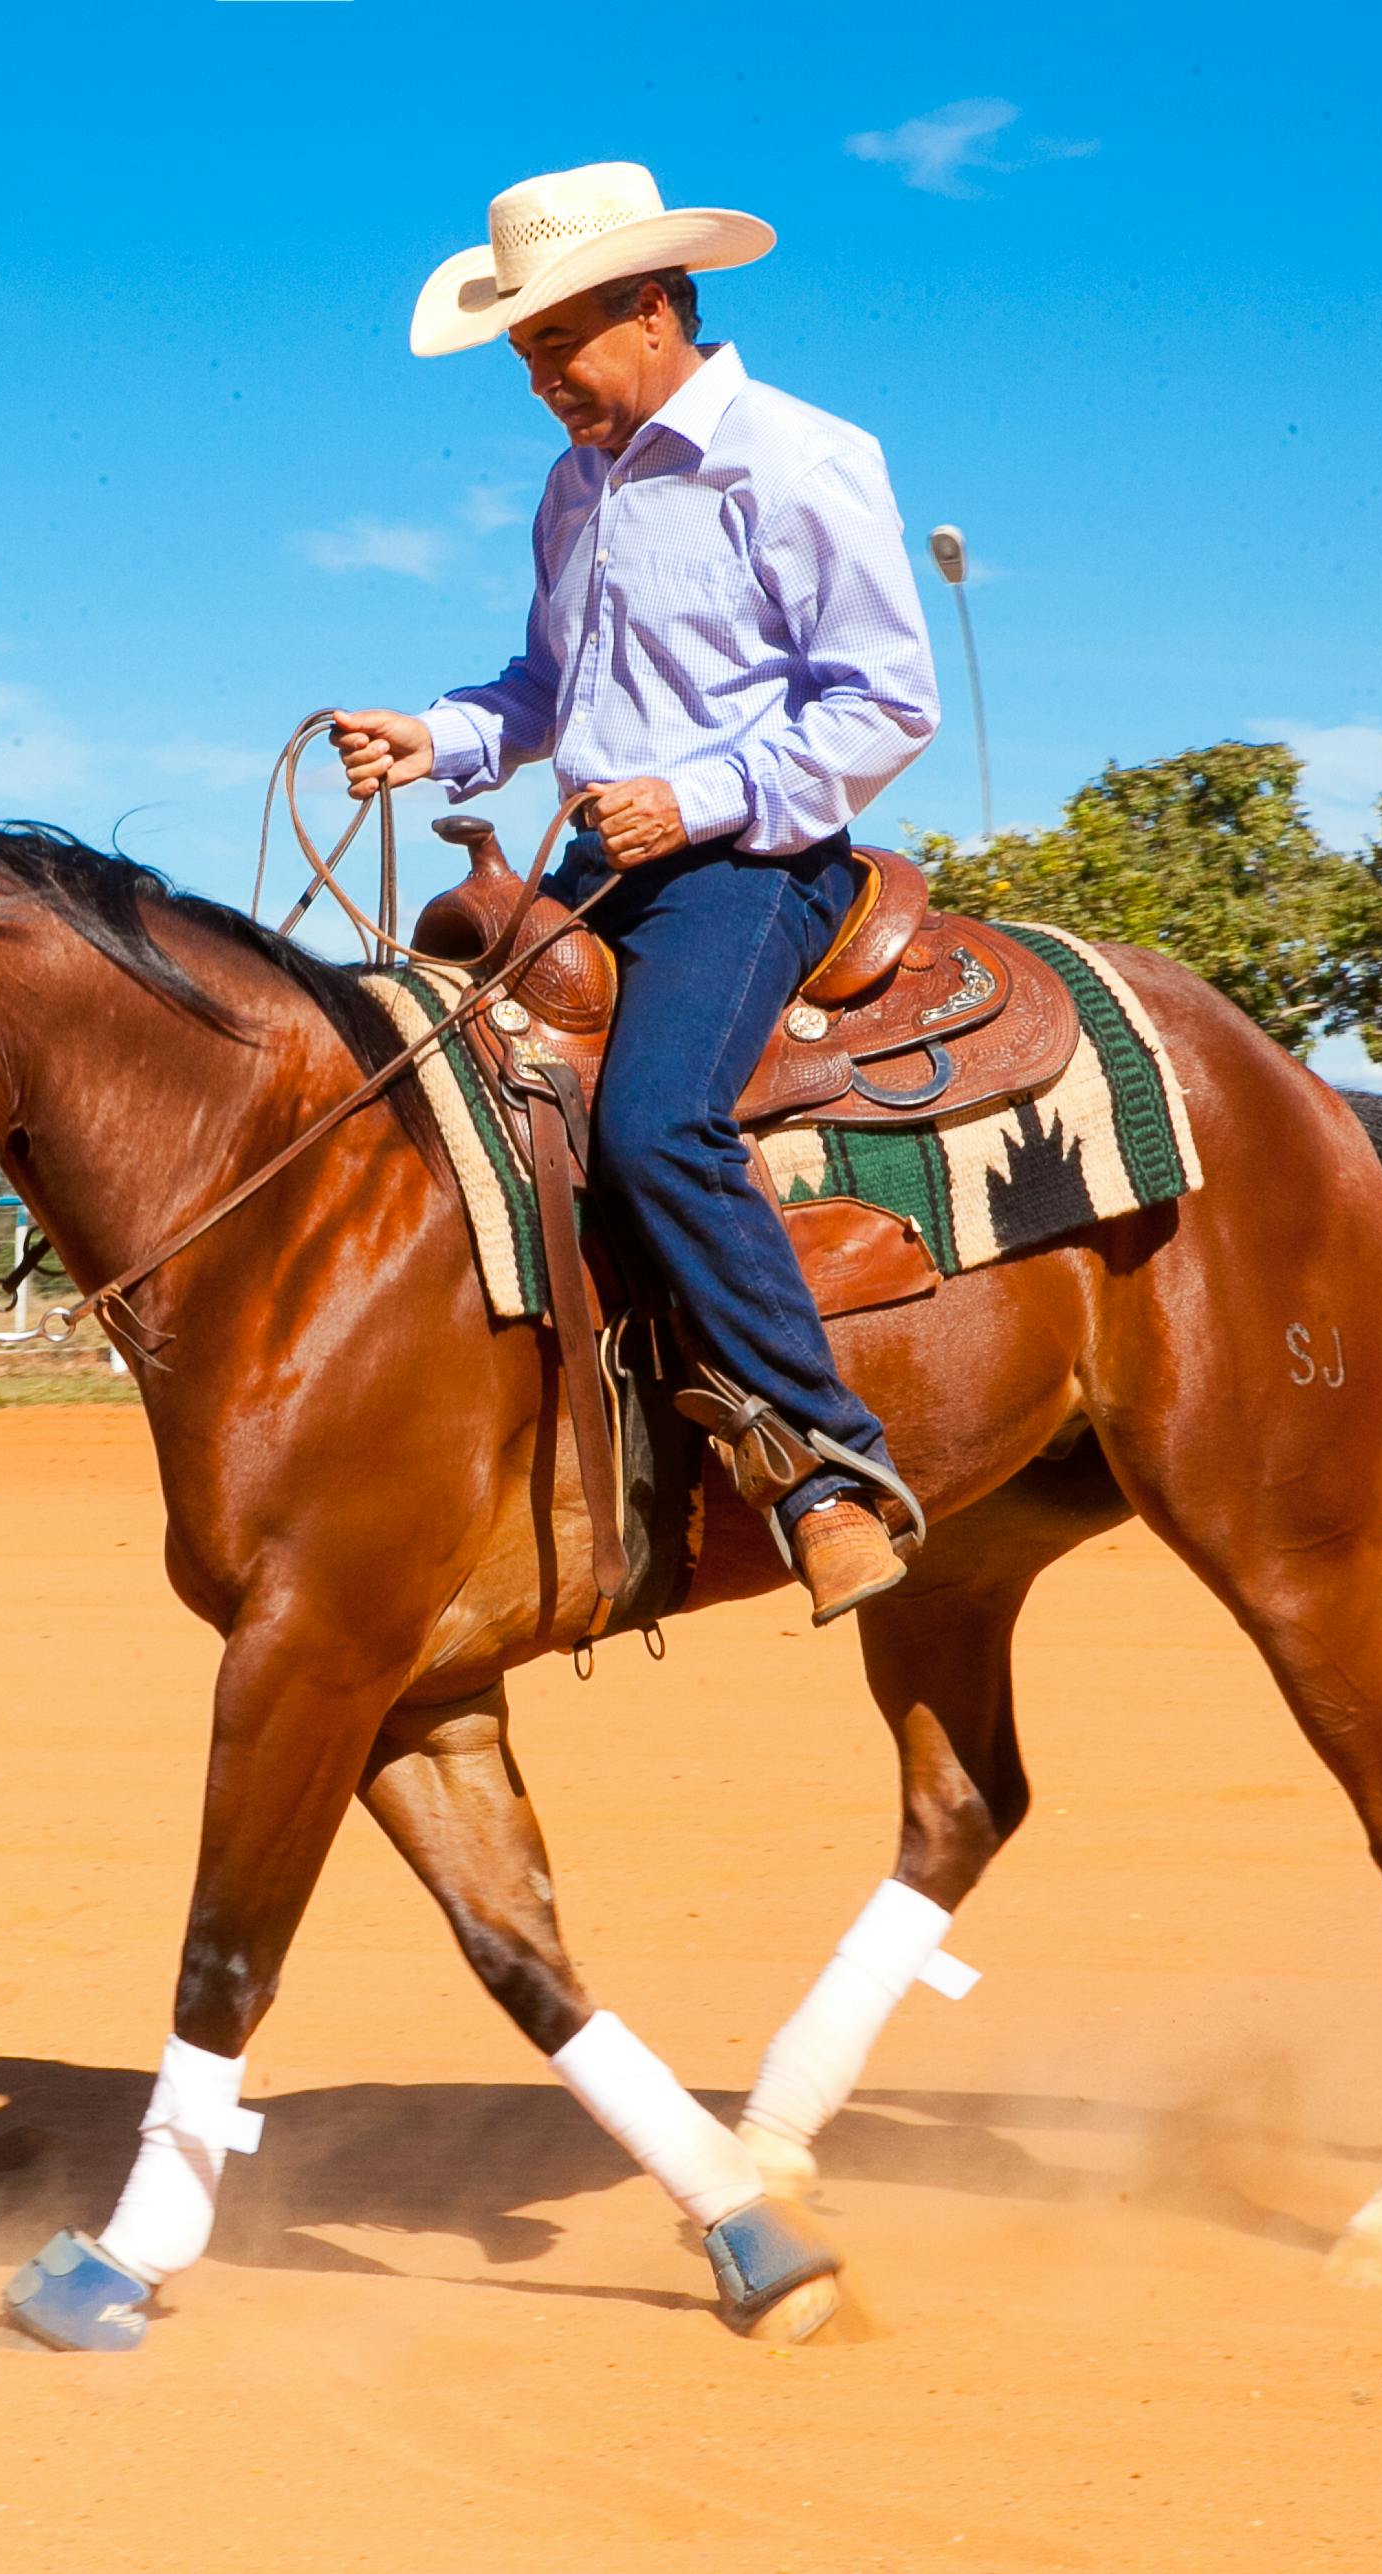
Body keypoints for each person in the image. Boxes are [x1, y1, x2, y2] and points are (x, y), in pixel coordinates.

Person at [333, 160, 940, 1622]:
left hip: (753, 866)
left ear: (658, 307)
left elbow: (883, 701)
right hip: (599, 863)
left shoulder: (798, 460)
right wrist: (439, 738)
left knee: (657, 1120)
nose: (537, 377)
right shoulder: (574, 488)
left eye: (558, 340)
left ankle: (824, 1466)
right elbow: (550, 686)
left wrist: (701, 796)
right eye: (523, 349)